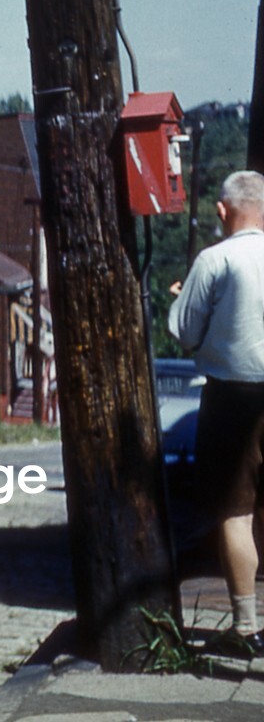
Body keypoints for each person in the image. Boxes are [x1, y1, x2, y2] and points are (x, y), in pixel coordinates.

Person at [169, 169, 264, 654]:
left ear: (223, 211)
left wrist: (184, 301)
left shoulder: (215, 259)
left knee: (236, 511)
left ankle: (247, 626)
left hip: (234, 398)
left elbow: (185, 332)